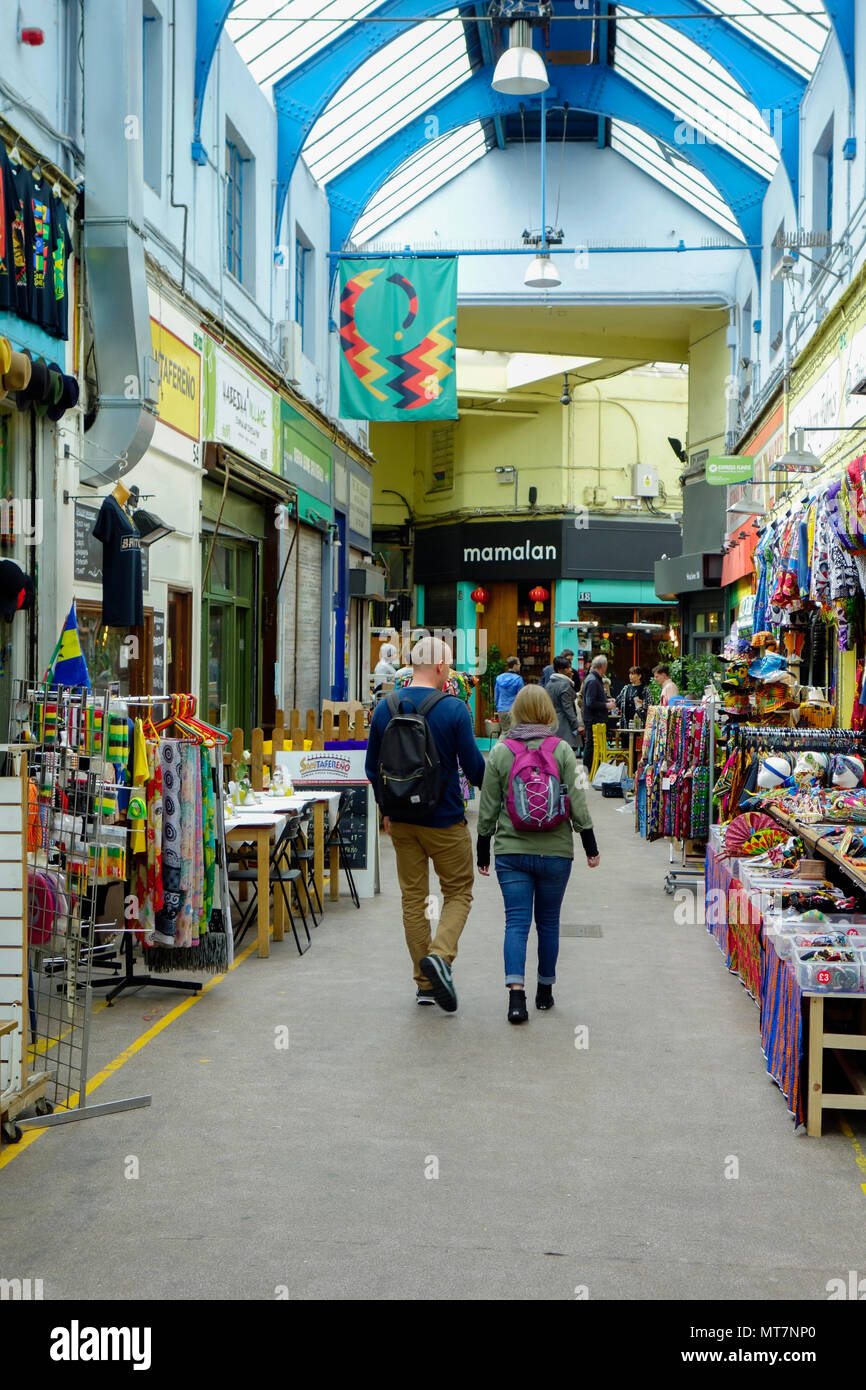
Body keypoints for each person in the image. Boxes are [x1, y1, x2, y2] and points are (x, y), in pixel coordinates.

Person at [365, 636, 486, 1012]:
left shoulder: (385, 708)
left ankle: (424, 984)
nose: (450, 671)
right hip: (444, 818)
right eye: (448, 665)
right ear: (438, 667)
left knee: (413, 900)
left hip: (401, 820)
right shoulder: (454, 709)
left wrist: (387, 809)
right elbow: (473, 767)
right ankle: (440, 955)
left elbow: (372, 767)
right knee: (459, 891)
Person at [475, 684, 600, 1024]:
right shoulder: (561, 750)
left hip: (511, 851)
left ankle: (517, 998)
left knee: (516, 922)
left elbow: (488, 805)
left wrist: (483, 849)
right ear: (547, 712)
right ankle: (545, 990)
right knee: (548, 922)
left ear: (515, 711)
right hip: (556, 852)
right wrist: (589, 844)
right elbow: (577, 800)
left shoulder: (501, 752)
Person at [581, 654, 616, 773]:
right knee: (591, 744)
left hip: (594, 718)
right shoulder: (593, 681)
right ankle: (589, 769)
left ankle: (593, 769)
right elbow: (590, 702)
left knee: (592, 744)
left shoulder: (594, 679)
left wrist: (606, 700)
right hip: (594, 719)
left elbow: (594, 699)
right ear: (603, 666)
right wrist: (606, 705)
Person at [546, 653, 583, 751]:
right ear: (560, 670)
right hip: (564, 726)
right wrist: (576, 726)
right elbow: (567, 708)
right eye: (567, 668)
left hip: (552, 724)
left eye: (570, 667)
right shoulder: (565, 685)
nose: (571, 670)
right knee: (565, 755)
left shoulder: (550, 684)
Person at [494, 656, 523, 736]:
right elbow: (521, 697)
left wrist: (498, 707)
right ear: (514, 666)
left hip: (502, 709)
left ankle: (498, 747)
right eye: (519, 664)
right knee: (515, 734)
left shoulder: (499, 678)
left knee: (504, 733)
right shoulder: (518, 679)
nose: (520, 665)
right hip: (514, 711)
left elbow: (496, 695)